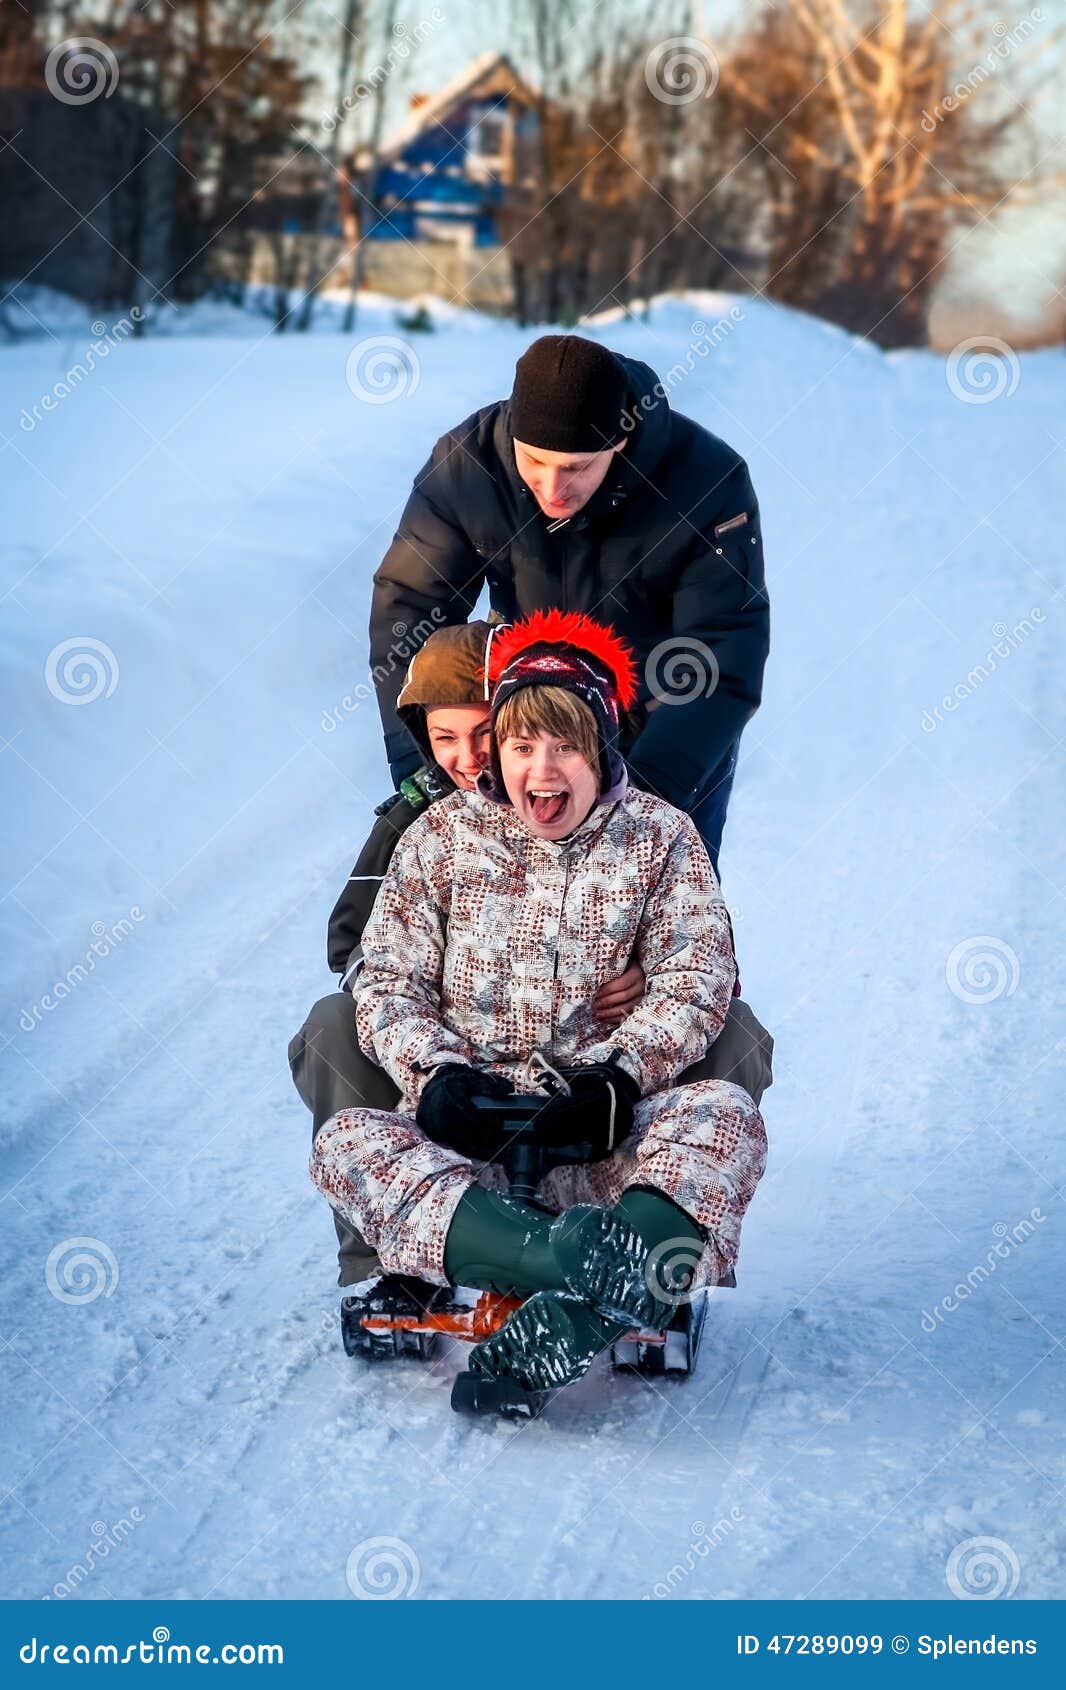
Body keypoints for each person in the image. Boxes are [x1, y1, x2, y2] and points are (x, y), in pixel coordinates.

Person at [310, 612, 767, 1398]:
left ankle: (569, 1323)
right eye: (522, 746)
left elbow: (697, 974)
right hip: (468, 1147)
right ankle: (582, 1272)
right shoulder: (440, 838)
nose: (542, 769)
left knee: (725, 1118)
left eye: (564, 746)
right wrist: (441, 1075)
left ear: (600, 751)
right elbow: (385, 975)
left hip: (599, 1146)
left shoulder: (660, 838)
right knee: (346, 1144)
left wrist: (620, 1081)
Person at [369, 332, 770, 873]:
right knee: (507, 918)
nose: (552, 488)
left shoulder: (707, 482)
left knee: (660, 917)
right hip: (526, 723)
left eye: (577, 467)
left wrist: (639, 803)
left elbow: (723, 653)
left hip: (662, 720)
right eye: (535, 461)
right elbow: (409, 608)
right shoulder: (469, 467)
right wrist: (427, 757)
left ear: (619, 445)